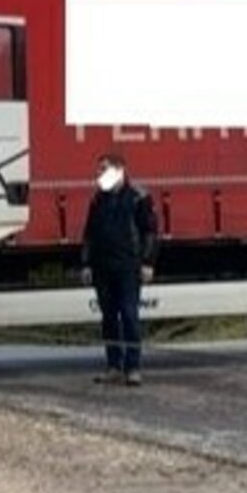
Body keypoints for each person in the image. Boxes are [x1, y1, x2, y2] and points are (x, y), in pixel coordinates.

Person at [79, 151, 157, 386]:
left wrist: (147, 262)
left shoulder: (137, 198)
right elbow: (89, 234)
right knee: (109, 318)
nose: (99, 173)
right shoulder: (98, 200)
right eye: (99, 169)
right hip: (103, 267)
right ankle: (114, 366)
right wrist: (86, 263)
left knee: (130, 315)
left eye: (103, 168)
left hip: (128, 267)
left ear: (119, 169)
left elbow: (150, 233)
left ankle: (133, 368)